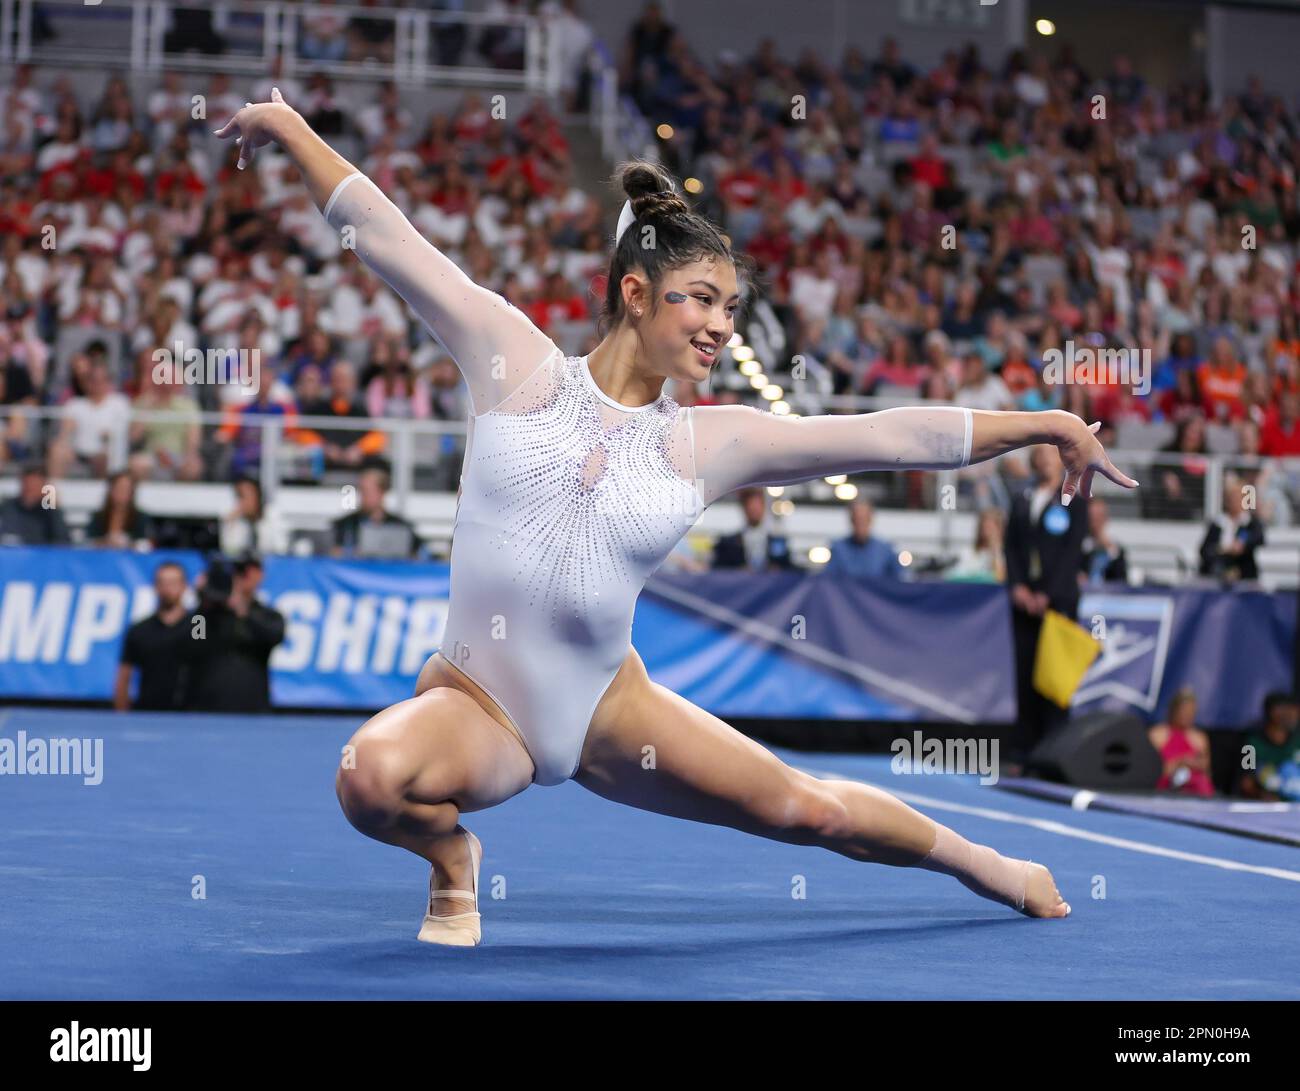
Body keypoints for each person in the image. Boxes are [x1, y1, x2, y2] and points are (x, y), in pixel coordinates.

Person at [217, 93, 1137, 945]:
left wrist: (1047, 423)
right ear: (635, 292)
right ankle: (453, 857)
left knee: (805, 808)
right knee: (368, 776)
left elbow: (890, 432)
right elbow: (388, 238)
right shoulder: (516, 365)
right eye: (700, 299)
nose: (719, 327)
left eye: (731, 308)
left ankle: (988, 865)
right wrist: (292, 130)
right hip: (480, 702)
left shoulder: (708, 442)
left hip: (612, 705)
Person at [1004, 444, 1092, 765]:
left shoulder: (1074, 502)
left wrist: (1048, 594)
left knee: (1054, 678)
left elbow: (1071, 553)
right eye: (1038, 455)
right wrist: (1018, 586)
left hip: (1058, 604)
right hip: (1024, 603)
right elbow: (1011, 547)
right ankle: (1024, 751)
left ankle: (1054, 755)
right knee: (1026, 676)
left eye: (1049, 454)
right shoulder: (1022, 498)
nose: (1043, 460)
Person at [184, 553, 285, 713]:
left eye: (240, 573)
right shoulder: (203, 615)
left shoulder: (267, 615)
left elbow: (274, 636)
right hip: (205, 708)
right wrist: (203, 603)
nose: (235, 579)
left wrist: (242, 610)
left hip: (251, 708)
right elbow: (194, 641)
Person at [115, 561, 193, 712]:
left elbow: (205, 649)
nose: (167, 589)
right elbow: (124, 677)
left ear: (184, 586)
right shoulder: (139, 630)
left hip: (189, 714)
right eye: (162, 583)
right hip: (149, 712)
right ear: (155, 587)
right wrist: (122, 714)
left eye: (173, 583)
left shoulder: (197, 623)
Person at [331, 464, 418, 558]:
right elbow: (332, 553)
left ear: (382, 492)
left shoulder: (401, 527)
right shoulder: (345, 525)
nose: (363, 496)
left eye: (367, 491)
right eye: (361, 491)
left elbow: (418, 555)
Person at [1147, 687, 1214, 797]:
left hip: (1195, 794)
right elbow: (1150, 771)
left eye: (1190, 712)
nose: (1187, 715)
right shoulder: (1157, 735)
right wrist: (1180, 762)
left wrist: (1197, 766)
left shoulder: (1200, 738)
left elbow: (1207, 773)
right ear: (1174, 710)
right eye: (1184, 711)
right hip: (1164, 791)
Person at [710, 486, 796, 571]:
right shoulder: (728, 543)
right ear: (744, 508)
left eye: (757, 506)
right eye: (751, 507)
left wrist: (776, 570)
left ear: (764, 507)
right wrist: (737, 571)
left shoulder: (777, 541)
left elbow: (788, 567)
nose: (754, 510)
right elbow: (718, 569)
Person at [1238, 692, 1300, 801]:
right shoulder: (1251, 744)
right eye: (1290, 710)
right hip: (1268, 810)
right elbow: (1246, 782)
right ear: (1274, 712)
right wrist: (1261, 795)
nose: (1295, 715)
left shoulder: (1297, 740)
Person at [823, 497, 903, 580]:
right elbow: (828, 580)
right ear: (851, 520)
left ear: (871, 520)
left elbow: (899, 580)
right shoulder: (838, 549)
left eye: (864, 520)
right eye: (857, 520)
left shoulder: (885, 550)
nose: (860, 524)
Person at [0, 461, 70, 545]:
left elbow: (63, 542)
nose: (30, 488)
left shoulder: (51, 511)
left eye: (34, 485)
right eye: (27, 484)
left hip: (42, 556)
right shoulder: (8, 507)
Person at [87, 470, 154, 549]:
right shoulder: (98, 517)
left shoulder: (140, 517)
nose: (123, 492)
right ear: (111, 490)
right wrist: (106, 542)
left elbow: (146, 545)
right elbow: (88, 543)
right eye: (119, 488)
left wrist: (128, 544)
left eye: (127, 489)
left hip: (131, 559)